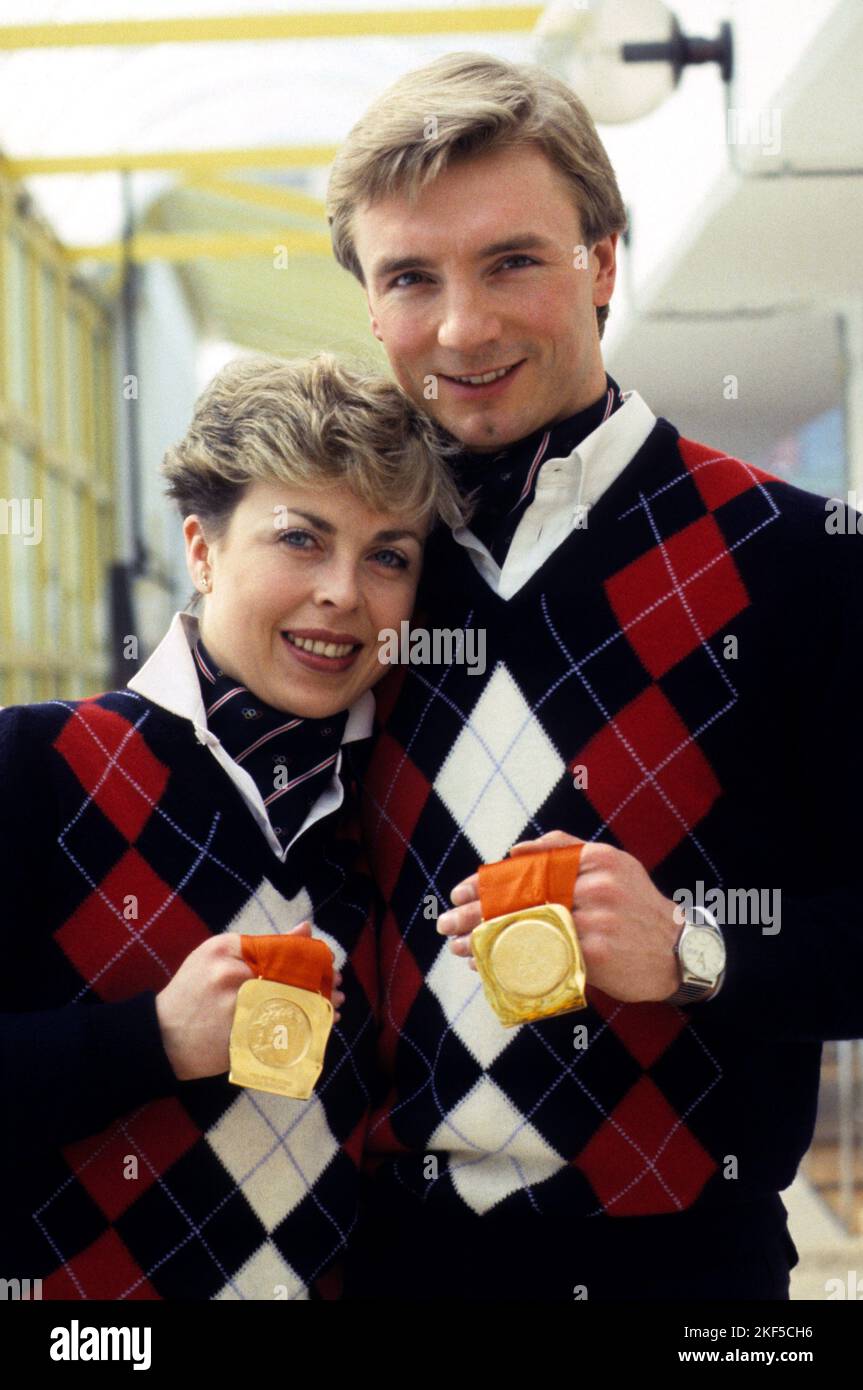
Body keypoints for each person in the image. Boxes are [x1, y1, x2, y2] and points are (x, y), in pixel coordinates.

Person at [325, 51, 863, 1299]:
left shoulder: (802, 563)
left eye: (513, 259)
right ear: (368, 304)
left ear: (602, 262)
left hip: (690, 1277)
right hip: (388, 1262)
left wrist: (693, 947)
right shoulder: (346, 585)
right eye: (411, 276)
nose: (462, 327)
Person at [0, 351, 466, 1300]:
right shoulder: (39, 765)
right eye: (301, 538)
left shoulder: (398, 805)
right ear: (202, 550)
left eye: (388, 555)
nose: (343, 591)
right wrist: (156, 1040)